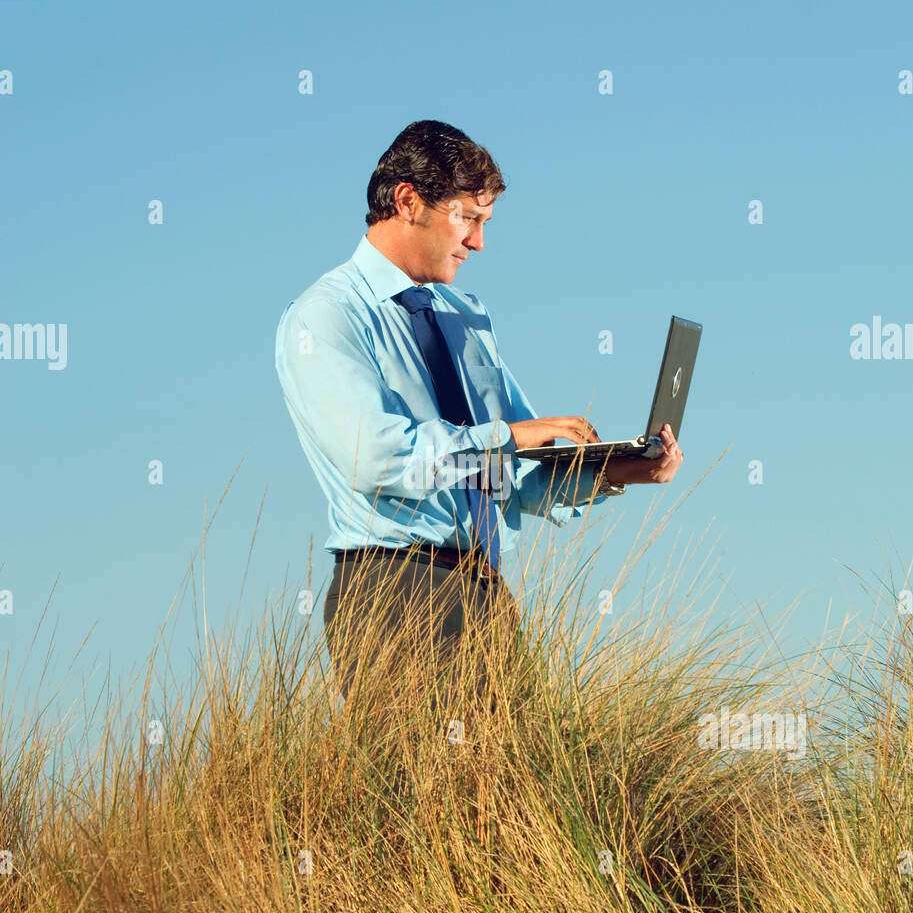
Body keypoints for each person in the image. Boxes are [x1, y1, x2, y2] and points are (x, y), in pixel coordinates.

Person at [275, 119, 683, 707]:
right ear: (408, 201)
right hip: (393, 588)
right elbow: (379, 460)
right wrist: (510, 435)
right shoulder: (326, 317)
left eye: (484, 223)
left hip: (487, 589)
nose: (478, 242)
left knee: (512, 791)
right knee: (423, 794)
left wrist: (617, 472)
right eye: (468, 217)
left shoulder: (465, 315)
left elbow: (511, 474)